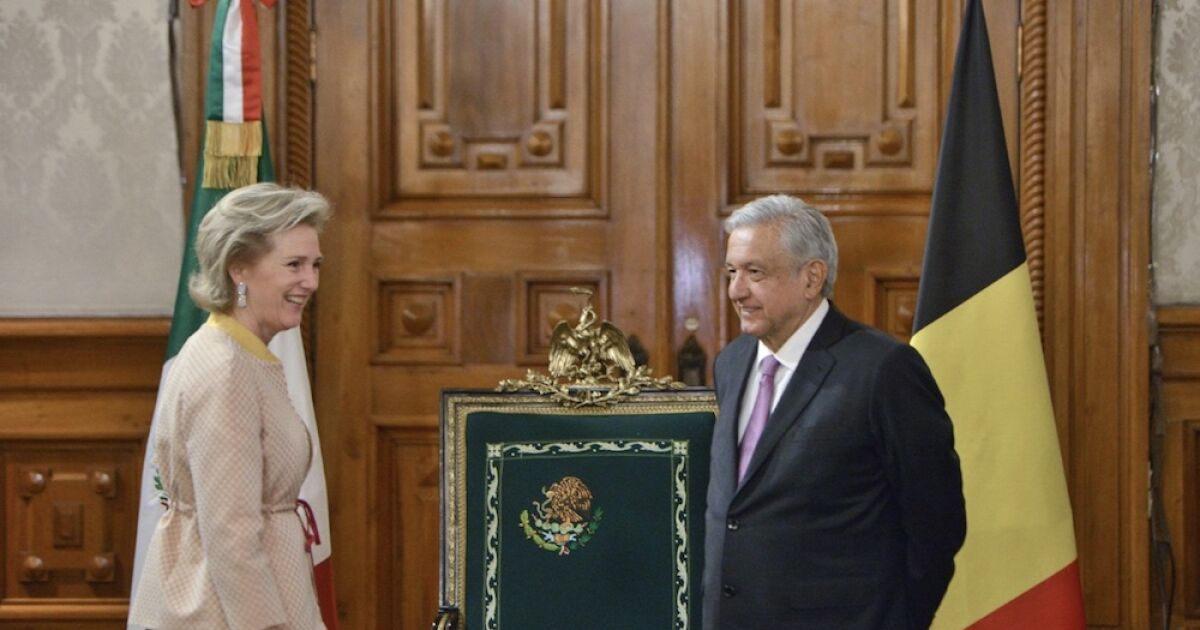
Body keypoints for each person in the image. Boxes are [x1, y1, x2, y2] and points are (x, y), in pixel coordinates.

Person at [703, 194, 966, 629]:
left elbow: (936, 523)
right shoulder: (731, 363)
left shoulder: (883, 370)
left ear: (812, 278)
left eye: (755, 272)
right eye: (732, 271)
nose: (736, 291)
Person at [129, 183, 330, 630]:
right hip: (225, 613)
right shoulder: (225, 370)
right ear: (238, 268)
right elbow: (231, 533)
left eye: (315, 265)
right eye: (293, 265)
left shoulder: (240, 355)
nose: (311, 281)